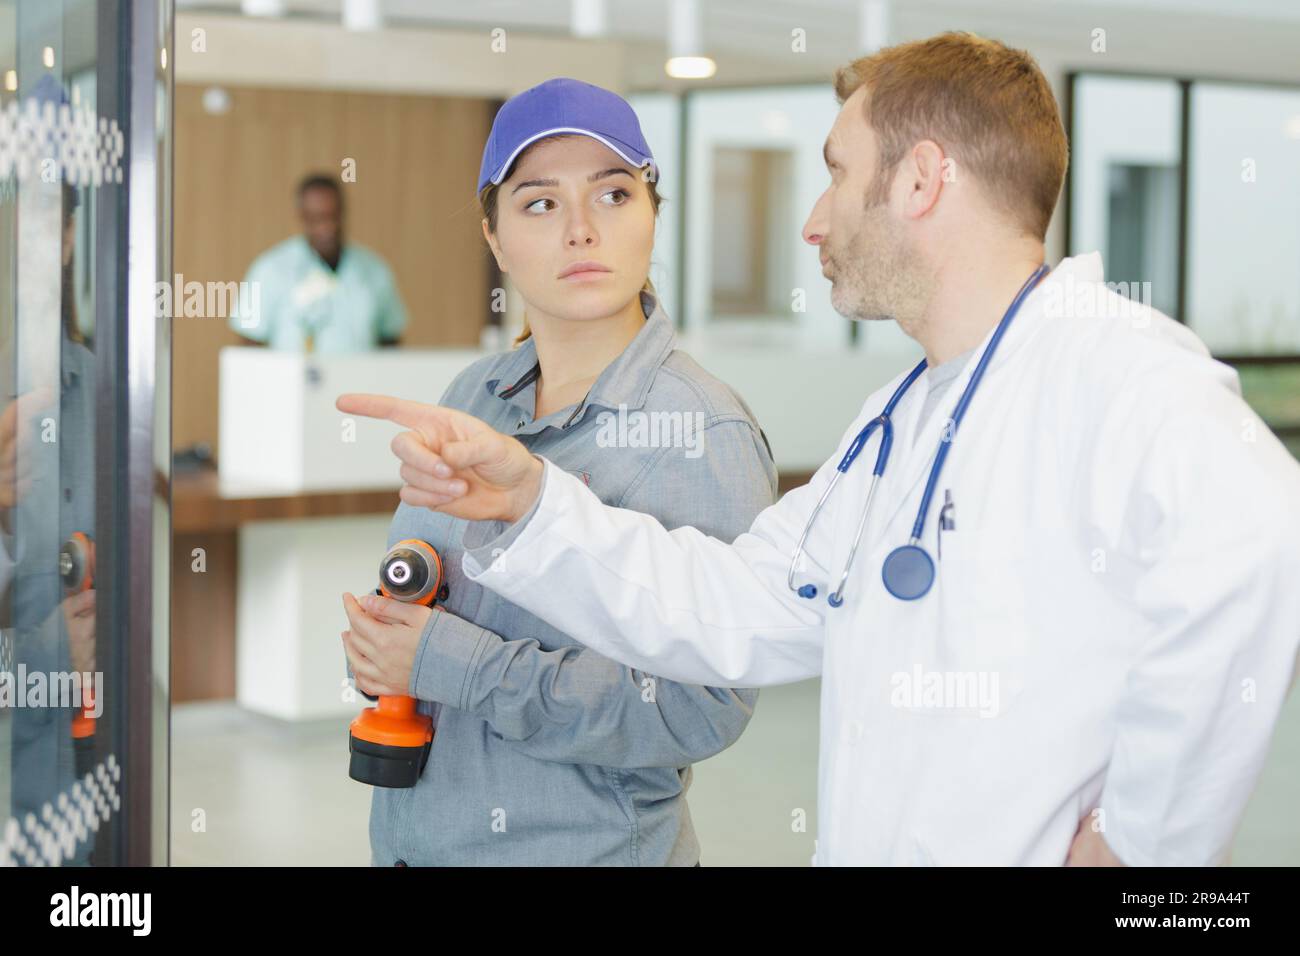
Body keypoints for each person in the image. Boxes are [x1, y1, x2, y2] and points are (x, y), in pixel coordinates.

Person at [338, 34, 1300, 866]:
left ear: (921, 180)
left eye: (838, 171)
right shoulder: (900, 420)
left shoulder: (1107, 364)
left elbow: (1259, 539)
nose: (813, 219)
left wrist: (1143, 847)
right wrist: (533, 501)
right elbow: (730, 605)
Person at [338, 78, 777, 866]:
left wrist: (450, 662)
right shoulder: (471, 398)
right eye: (540, 203)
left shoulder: (700, 430)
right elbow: (423, 591)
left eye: (613, 194)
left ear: (652, 215)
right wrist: (383, 647)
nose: (581, 230)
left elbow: (700, 707)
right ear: (496, 238)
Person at [228, 174, 407, 352]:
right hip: (295, 380)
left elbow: (390, 339)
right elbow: (249, 344)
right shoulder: (269, 270)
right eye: (317, 218)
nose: (328, 227)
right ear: (302, 217)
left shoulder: (374, 270)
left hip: (361, 379)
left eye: (333, 216)